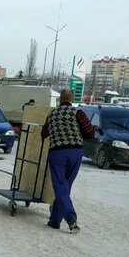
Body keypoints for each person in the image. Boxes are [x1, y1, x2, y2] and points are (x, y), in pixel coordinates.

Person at [40, 88, 94, 234]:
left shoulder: (52, 114)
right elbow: (90, 133)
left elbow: (44, 133)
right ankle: (55, 220)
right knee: (65, 186)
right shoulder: (78, 113)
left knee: (60, 186)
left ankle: (71, 219)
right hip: (75, 152)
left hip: (57, 152)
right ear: (72, 99)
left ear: (60, 99)